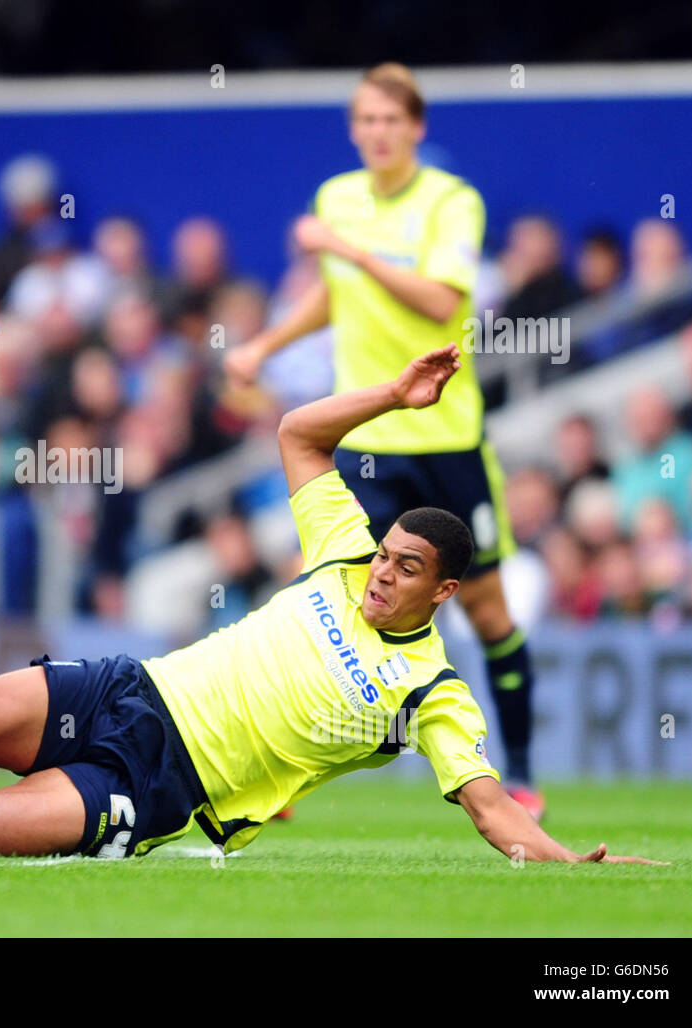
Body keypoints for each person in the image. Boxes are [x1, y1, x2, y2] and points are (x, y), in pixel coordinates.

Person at [0, 346, 660, 866]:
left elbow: (489, 808)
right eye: (385, 553)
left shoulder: (431, 691)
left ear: (444, 590)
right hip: (129, 687)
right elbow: (295, 432)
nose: (380, 572)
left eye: (404, 569)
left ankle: (104, 835)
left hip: (164, 778)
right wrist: (391, 399)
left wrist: (565, 858)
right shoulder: (341, 551)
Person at [224, 63, 547, 821]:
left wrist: (351, 248)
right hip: (368, 438)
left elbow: (440, 304)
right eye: (365, 120)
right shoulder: (340, 196)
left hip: (447, 439)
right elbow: (339, 294)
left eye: (391, 121)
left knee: (489, 611)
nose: (377, 133)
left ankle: (522, 775)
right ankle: (271, 774)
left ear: (417, 128)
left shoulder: (450, 202)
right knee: (328, 598)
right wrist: (264, 345)